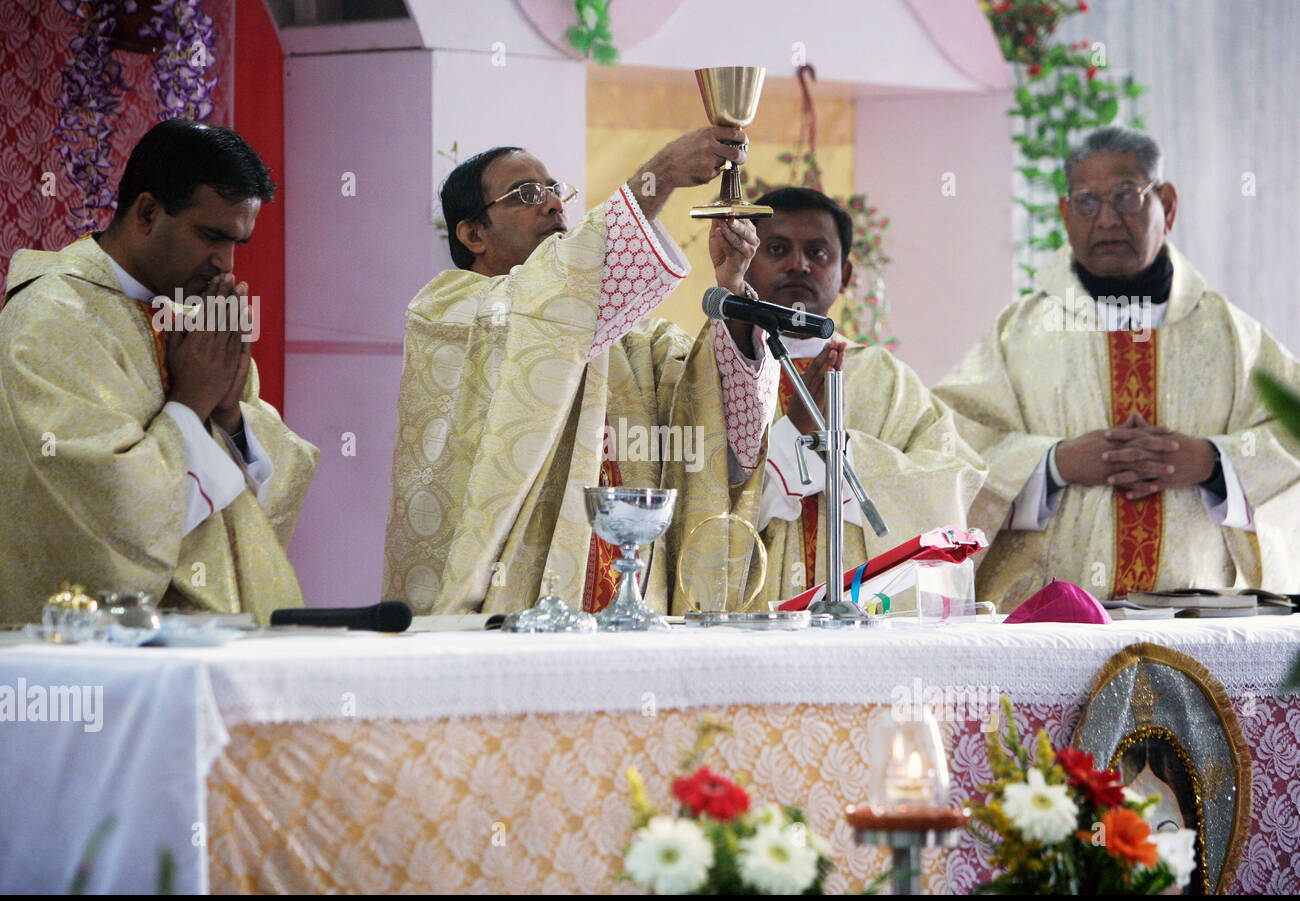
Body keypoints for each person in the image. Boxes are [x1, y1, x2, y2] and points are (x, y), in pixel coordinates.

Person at [382, 129, 780, 615]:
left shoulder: (629, 341)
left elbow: (723, 434)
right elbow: (549, 300)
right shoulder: (449, 313)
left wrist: (734, 297)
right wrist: (662, 176)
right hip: (511, 605)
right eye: (527, 194)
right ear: (473, 234)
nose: (552, 204)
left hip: (634, 609)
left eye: (554, 190)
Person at [934, 126, 1300, 611]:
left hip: (1197, 620)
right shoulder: (1019, 334)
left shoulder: (1231, 335)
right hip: (1053, 622)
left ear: (1167, 205)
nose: (1106, 219)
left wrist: (1212, 462)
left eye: (1127, 197)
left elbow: (1292, 431)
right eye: (1087, 202)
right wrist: (1053, 464)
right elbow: (949, 450)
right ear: (1066, 215)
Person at [0, 119, 319, 625]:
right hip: (112, 654)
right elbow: (95, 512)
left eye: (238, 243)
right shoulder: (50, 318)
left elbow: (265, 499)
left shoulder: (196, 317)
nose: (225, 264)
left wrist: (230, 415)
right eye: (211, 236)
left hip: (222, 637)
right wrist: (191, 405)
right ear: (147, 212)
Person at [738, 187, 986, 604]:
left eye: (818, 253)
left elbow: (950, 481)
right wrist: (790, 437)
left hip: (866, 618)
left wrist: (844, 453)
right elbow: (698, 497)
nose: (798, 265)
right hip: (751, 617)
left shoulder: (887, 380)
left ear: (846, 275)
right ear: (744, 265)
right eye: (777, 249)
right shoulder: (719, 369)